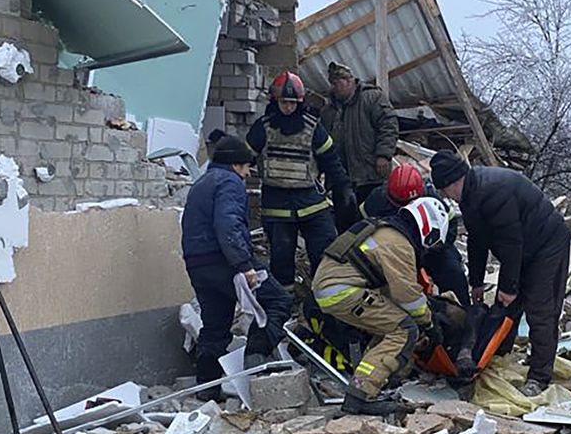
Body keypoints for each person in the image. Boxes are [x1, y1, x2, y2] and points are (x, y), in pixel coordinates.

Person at [430, 150, 571, 397]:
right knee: (505, 307)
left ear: (453, 182)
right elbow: (477, 240)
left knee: (539, 309)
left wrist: (509, 287)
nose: (446, 197)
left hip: (546, 244)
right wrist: (476, 282)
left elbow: (510, 244)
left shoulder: (493, 192)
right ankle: (497, 356)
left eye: (445, 191)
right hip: (521, 247)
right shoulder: (469, 195)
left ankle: (539, 376)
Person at [311, 196, 451, 415]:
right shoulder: (400, 244)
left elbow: (390, 290)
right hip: (342, 291)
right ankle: (360, 396)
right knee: (403, 330)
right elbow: (407, 296)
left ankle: (375, 380)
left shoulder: (385, 231)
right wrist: (429, 323)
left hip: (332, 287)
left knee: (388, 324)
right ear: (429, 229)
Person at [181, 136, 293, 400]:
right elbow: (228, 225)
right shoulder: (229, 182)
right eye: (246, 167)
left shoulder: (202, 183)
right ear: (235, 165)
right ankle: (255, 360)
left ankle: (207, 388)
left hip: (197, 263)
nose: (248, 173)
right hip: (224, 260)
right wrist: (244, 265)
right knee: (278, 301)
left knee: (215, 325)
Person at [246, 71, 355, 290]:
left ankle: (323, 298)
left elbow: (331, 161)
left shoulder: (313, 128)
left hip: (311, 204)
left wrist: (344, 187)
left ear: (300, 102)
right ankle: (285, 304)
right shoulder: (262, 128)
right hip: (277, 207)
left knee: (325, 255)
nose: (288, 107)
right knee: (281, 263)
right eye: (284, 102)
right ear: (275, 101)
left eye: (293, 103)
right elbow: (243, 159)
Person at [360, 164, 470, 307]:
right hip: (393, 252)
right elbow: (363, 231)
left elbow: (450, 228)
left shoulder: (432, 198)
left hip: (430, 248)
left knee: (453, 272)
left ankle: (464, 309)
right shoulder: (375, 202)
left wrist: (430, 249)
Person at [320, 61, 399, 206]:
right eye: (332, 83)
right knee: (345, 217)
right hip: (341, 179)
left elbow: (389, 126)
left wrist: (383, 154)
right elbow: (322, 140)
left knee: (372, 214)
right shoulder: (329, 110)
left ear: (349, 81)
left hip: (370, 176)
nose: (333, 87)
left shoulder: (372, 98)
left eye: (336, 83)